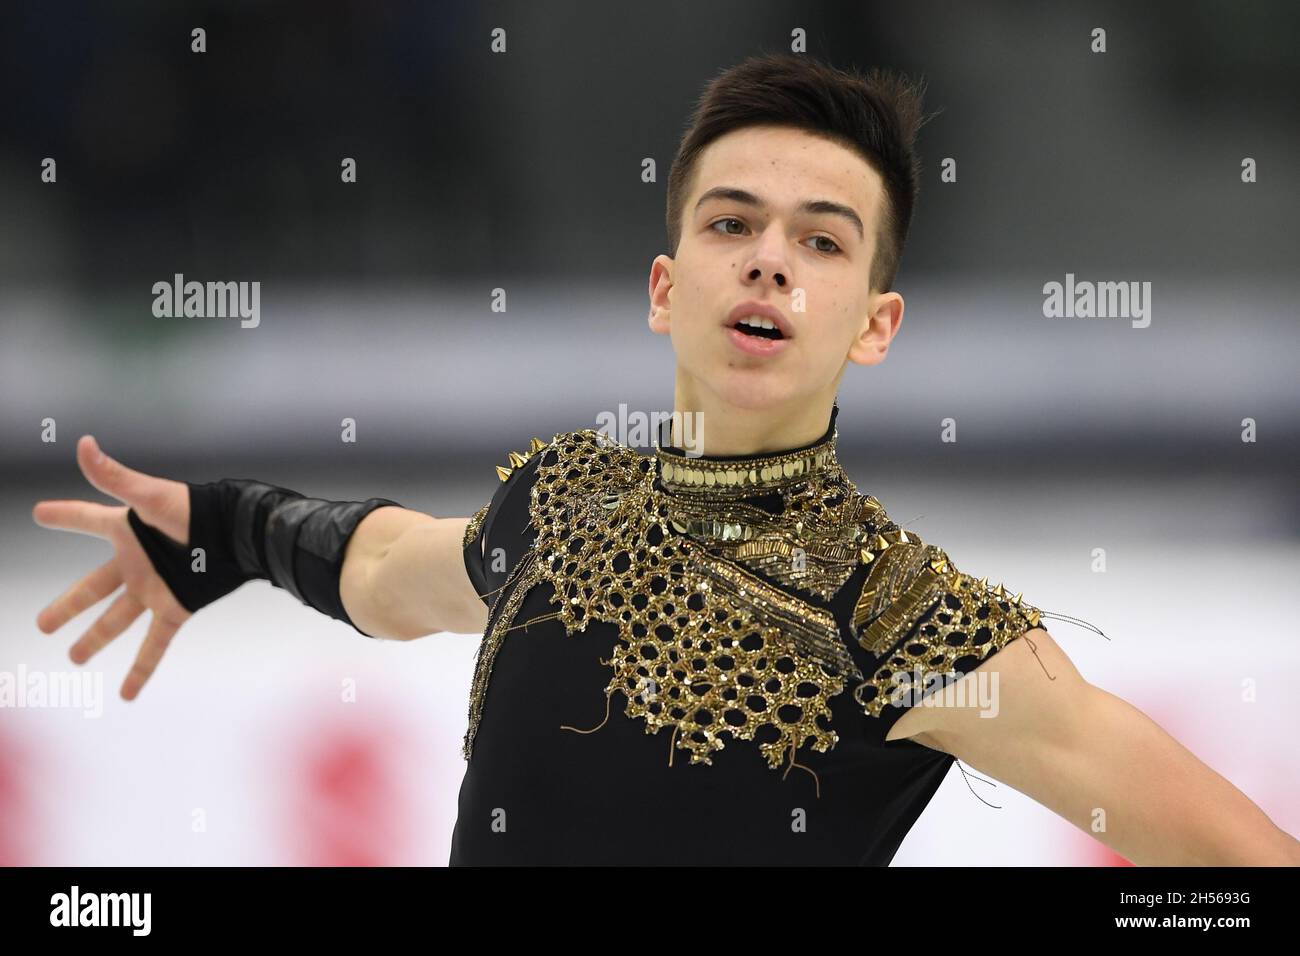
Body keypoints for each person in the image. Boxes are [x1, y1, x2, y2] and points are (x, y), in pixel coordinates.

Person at [32, 53, 1299, 866]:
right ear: (665, 284)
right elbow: (395, 570)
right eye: (731, 223)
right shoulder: (562, 500)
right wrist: (227, 529)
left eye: (821, 241)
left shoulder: (906, 618)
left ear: (875, 320)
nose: (767, 261)